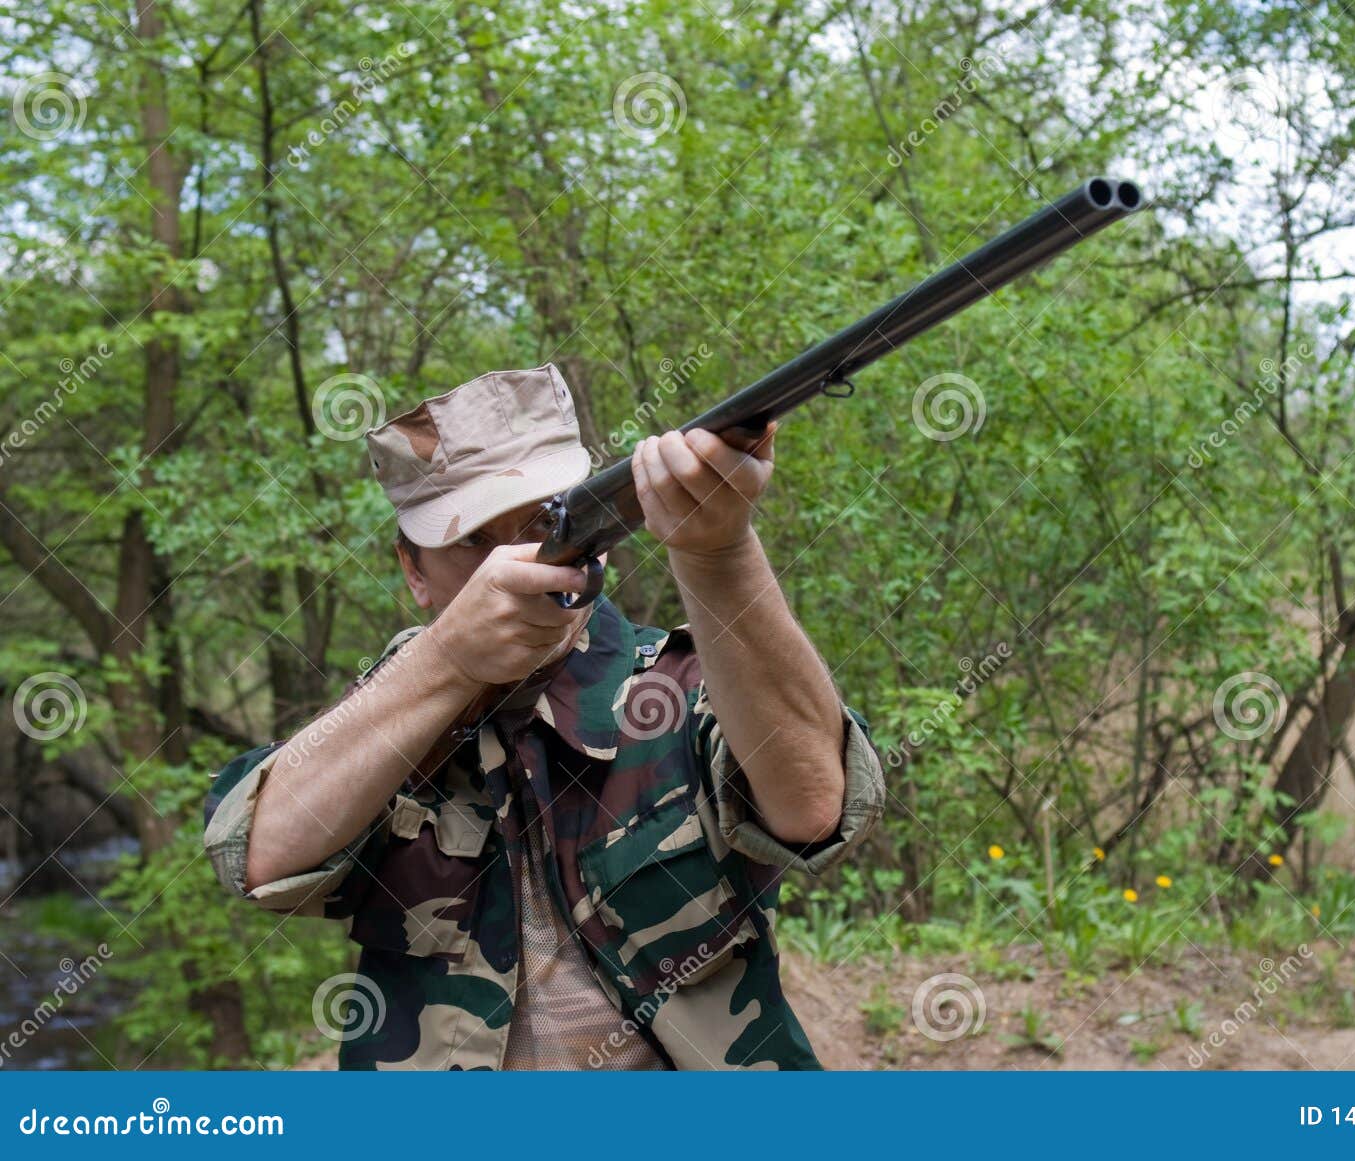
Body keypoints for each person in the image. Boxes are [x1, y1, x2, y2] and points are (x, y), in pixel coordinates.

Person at [203, 365, 885, 1070]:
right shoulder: (388, 715)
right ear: (412, 570)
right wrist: (447, 663)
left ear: (601, 528)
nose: (515, 563)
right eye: (472, 540)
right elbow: (255, 854)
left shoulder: (683, 683)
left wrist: (719, 553)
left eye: (545, 522)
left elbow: (813, 808)